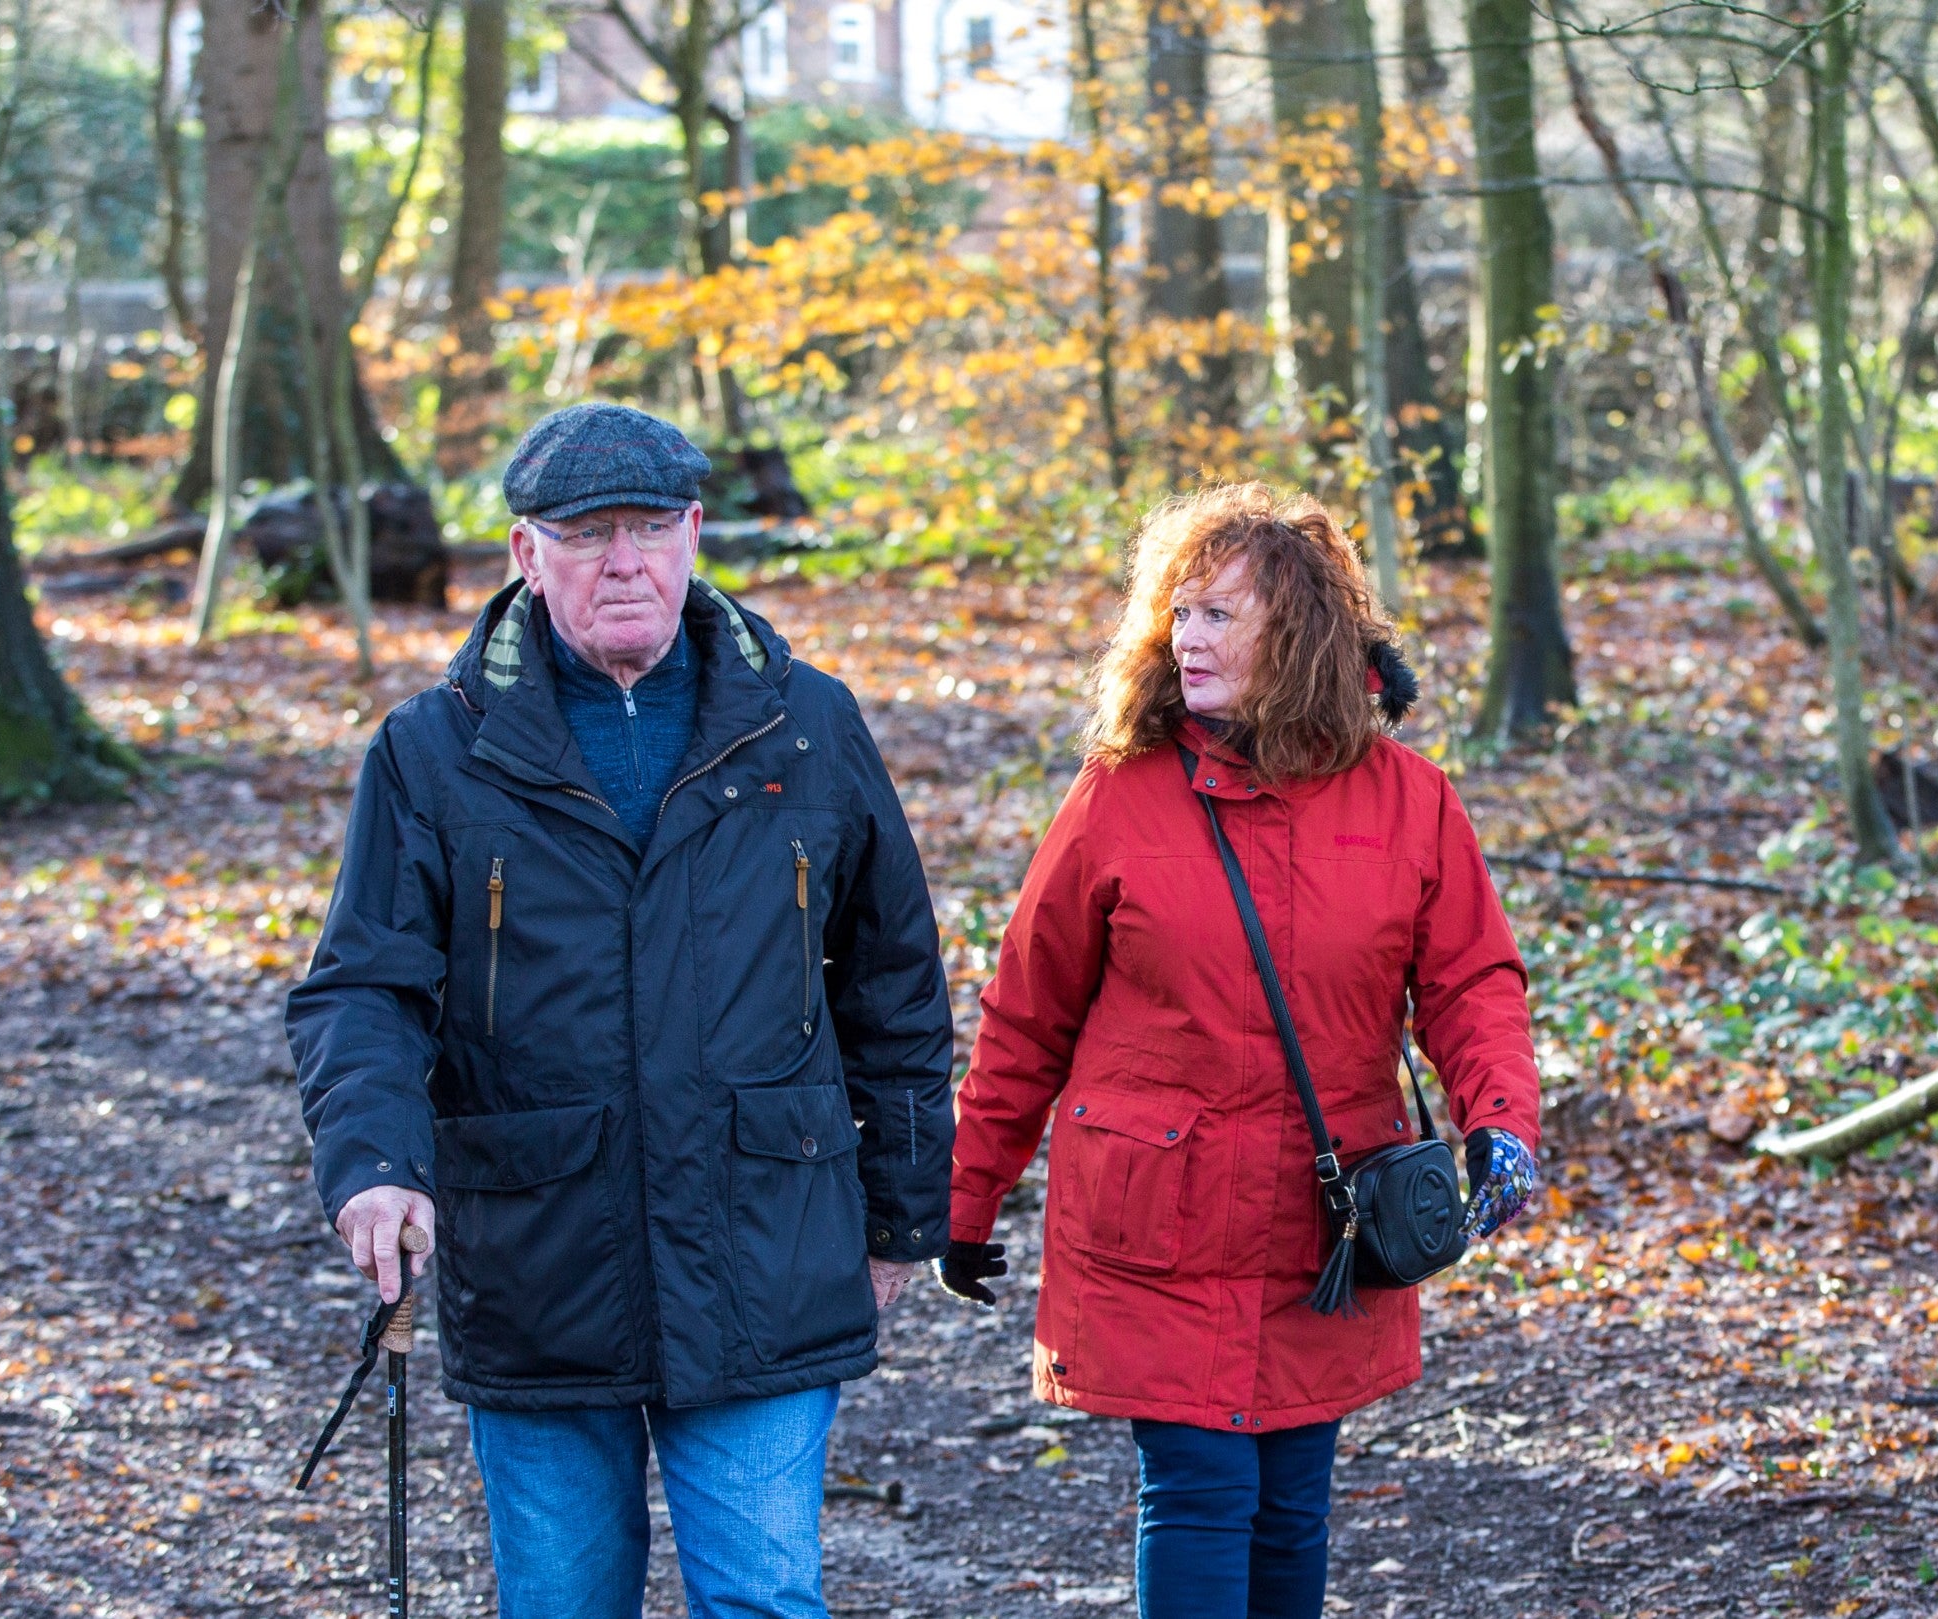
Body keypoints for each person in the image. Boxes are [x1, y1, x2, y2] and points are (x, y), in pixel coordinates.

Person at [288, 402, 954, 1619]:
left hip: (765, 1242)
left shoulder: (808, 725)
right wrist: (374, 1165)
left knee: (764, 1600)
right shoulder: (436, 751)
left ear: (696, 532)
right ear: (524, 555)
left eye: (649, 525)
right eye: (585, 533)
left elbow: (892, 981)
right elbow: (365, 987)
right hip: (543, 1259)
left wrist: (906, 1213)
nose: (623, 560)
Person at [938, 484, 1543, 1619]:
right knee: (1204, 1484)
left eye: (1219, 613)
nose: (1187, 636)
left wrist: (1502, 1120)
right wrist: (965, 1201)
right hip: (1156, 1216)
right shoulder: (1119, 794)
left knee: (1292, 1497)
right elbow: (1027, 1013)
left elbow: (1470, 982)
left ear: (1300, 635)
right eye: (1179, 611)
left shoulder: (1408, 800)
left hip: (1327, 1222)